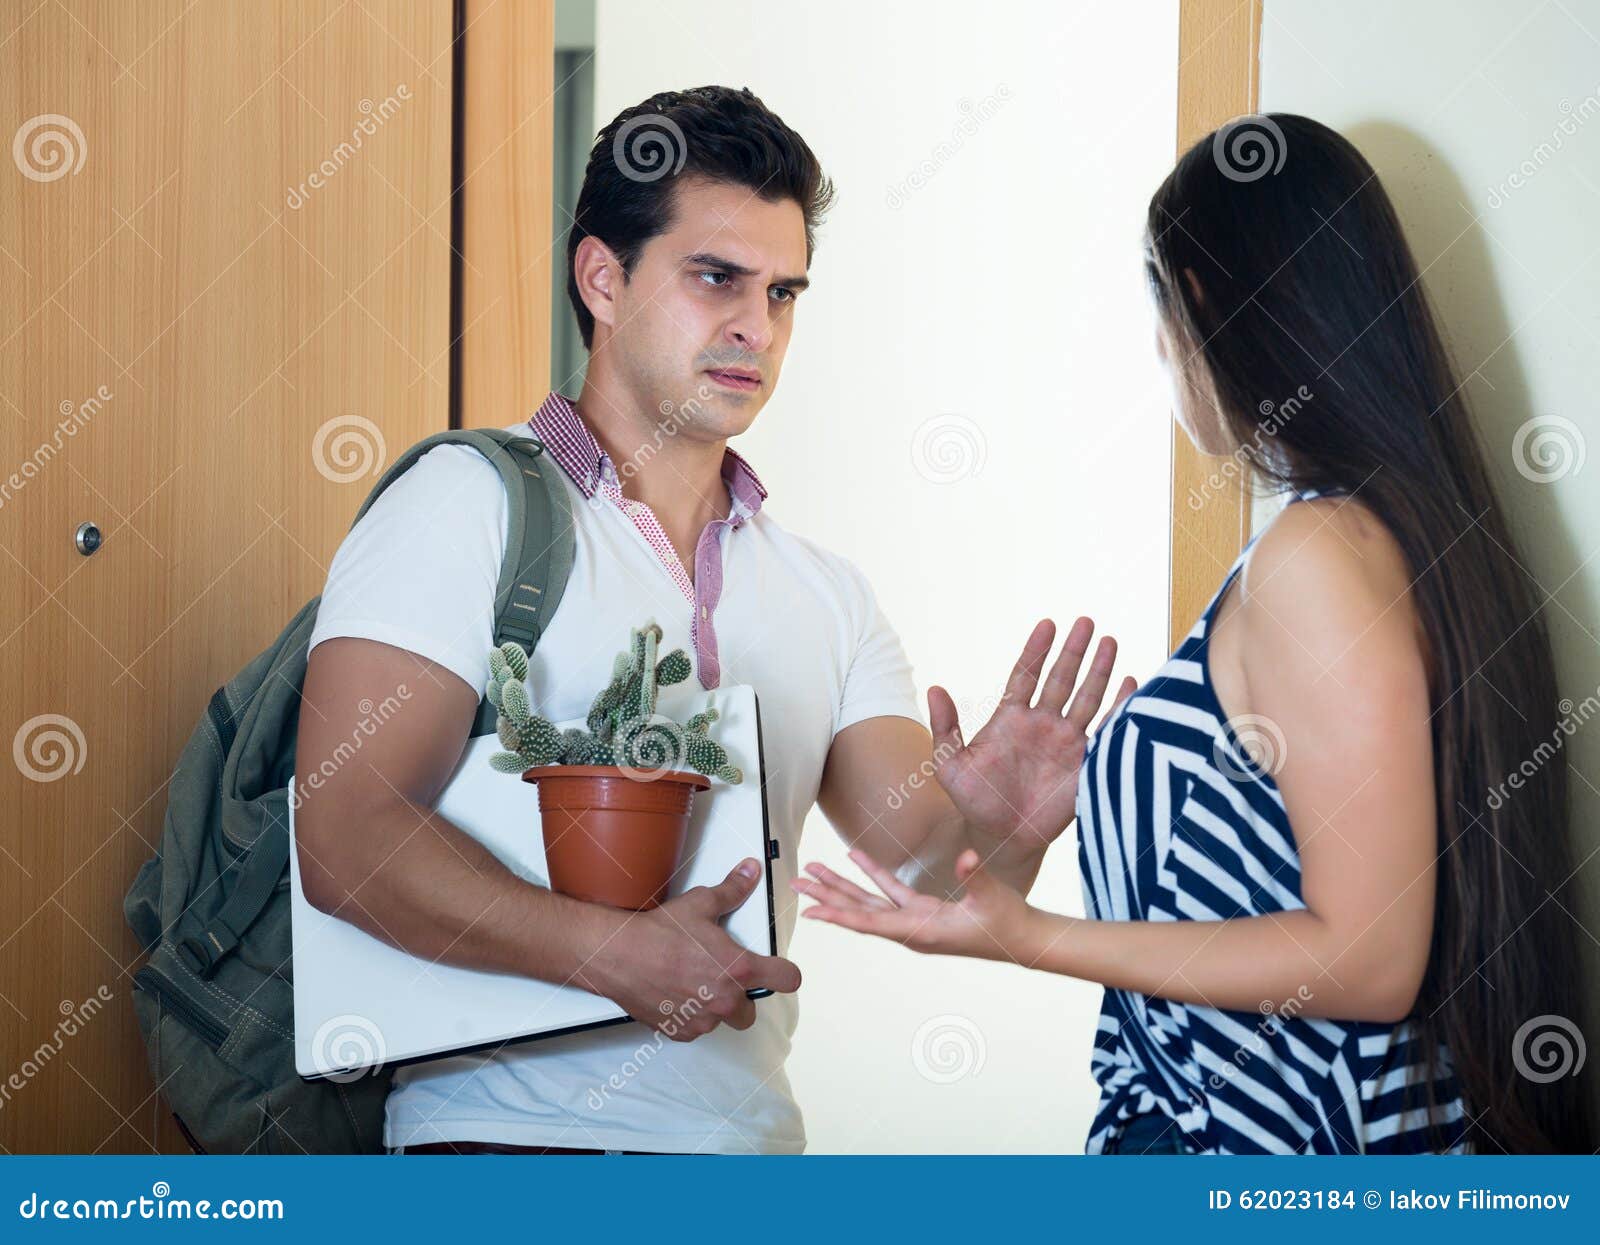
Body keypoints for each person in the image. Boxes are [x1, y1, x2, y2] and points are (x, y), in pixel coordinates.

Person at [294, 85, 1127, 1155]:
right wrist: (612, 956)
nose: (756, 327)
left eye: (784, 292)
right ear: (602, 277)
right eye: (716, 278)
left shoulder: (826, 593)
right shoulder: (465, 505)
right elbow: (344, 835)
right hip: (503, 1153)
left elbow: (937, 887)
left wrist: (1006, 835)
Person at [794, 114, 1595, 1156]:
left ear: (1199, 305)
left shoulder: (1316, 556)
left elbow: (1368, 955)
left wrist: (1032, 938)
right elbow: (1295, 867)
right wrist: (1021, 840)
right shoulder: (1393, 540)